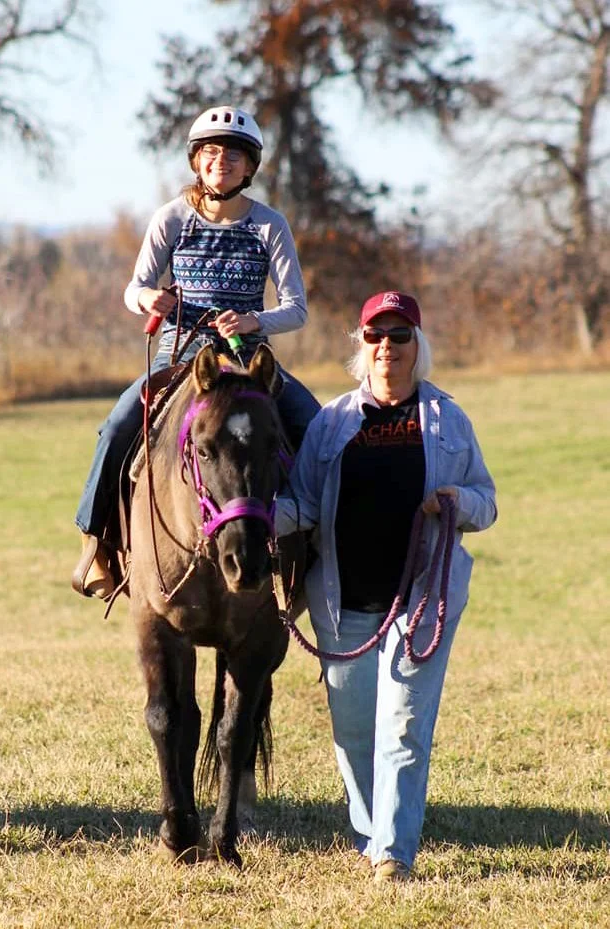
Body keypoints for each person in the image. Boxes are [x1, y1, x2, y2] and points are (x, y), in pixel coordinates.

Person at [275, 291, 497, 883]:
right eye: (376, 336)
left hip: (423, 596)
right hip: (342, 600)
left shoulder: (448, 419)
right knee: (352, 733)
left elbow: (488, 502)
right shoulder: (332, 422)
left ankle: (394, 856)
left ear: (417, 346)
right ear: (361, 345)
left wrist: (457, 500)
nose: (387, 348)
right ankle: (372, 836)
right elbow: (300, 502)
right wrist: (251, 520)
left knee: (402, 726)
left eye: (400, 336)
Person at [73, 104, 320, 599]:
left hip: (249, 362)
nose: (220, 161)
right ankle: (94, 546)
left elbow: (296, 308)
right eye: (210, 153)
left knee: (315, 425)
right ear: (196, 161)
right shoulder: (172, 218)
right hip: (181, 356)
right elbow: (134, 288)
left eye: (232, 155)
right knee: (121, 422)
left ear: (249, 167)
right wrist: (151, 298)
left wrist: (254, 320)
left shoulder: (269, 225)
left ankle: (324, 549)